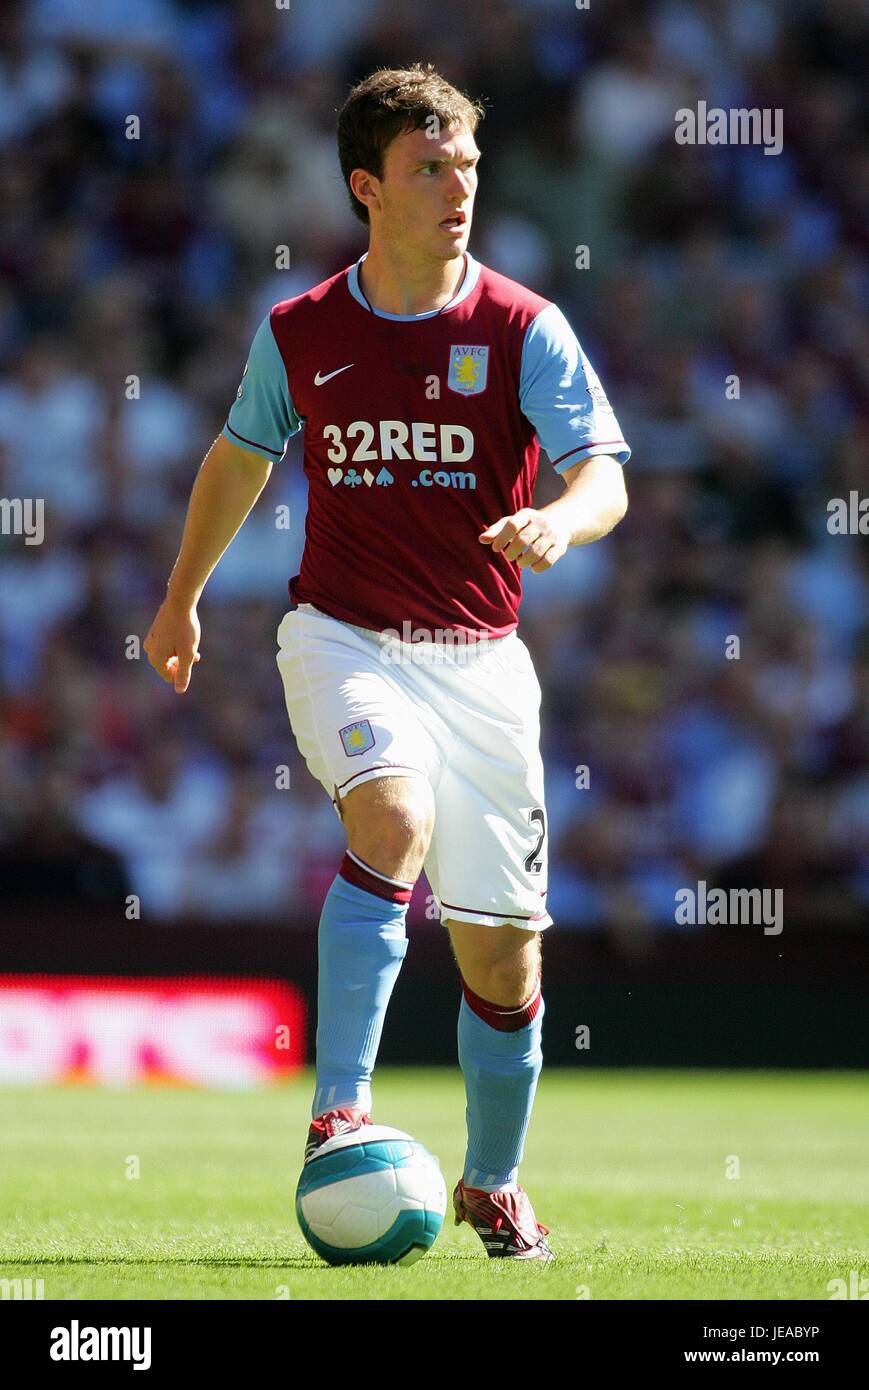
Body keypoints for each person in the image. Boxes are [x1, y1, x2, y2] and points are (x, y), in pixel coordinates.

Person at [144, 63, 630, 1261]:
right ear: (366, 187)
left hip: (482, 661)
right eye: (428, 168)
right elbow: (239, 456)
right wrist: (179, 600)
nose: (458, 188)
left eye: (466, 165)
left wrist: (558, 522)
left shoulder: (521, 325)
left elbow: (603, 476)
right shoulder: (301, 329)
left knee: (501, 957)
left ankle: (492, 1182)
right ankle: (339, 1106)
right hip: (343, 636)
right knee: (392, 815)